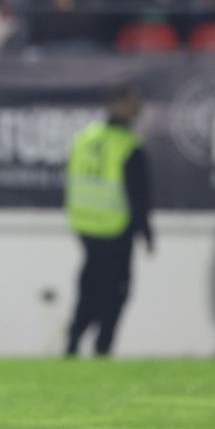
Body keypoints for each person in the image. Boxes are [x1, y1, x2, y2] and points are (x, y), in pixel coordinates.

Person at [64, 85, 154, 357]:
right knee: (115, 291)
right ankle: (103, 346)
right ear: (119, 104)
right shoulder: (128, 145)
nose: (138, 108)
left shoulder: (85, 138)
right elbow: (138, 195)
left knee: (90, 286)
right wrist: (146, 232)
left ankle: (73, 341)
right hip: (116, 228)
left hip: (85, 225)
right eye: (132, 102)